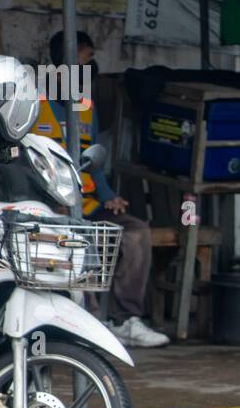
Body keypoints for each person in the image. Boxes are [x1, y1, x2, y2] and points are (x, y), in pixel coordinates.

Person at [38, 30, 168, 347]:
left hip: (86, 204)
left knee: (136, 232)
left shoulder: (85, 106)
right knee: (84, 241)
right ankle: (90, 323)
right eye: (85, 57)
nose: (90, 65)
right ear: (61, 63)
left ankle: (124, 321)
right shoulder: (34, 104)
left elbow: (92, 158)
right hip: (48, 207)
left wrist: (109, 196)